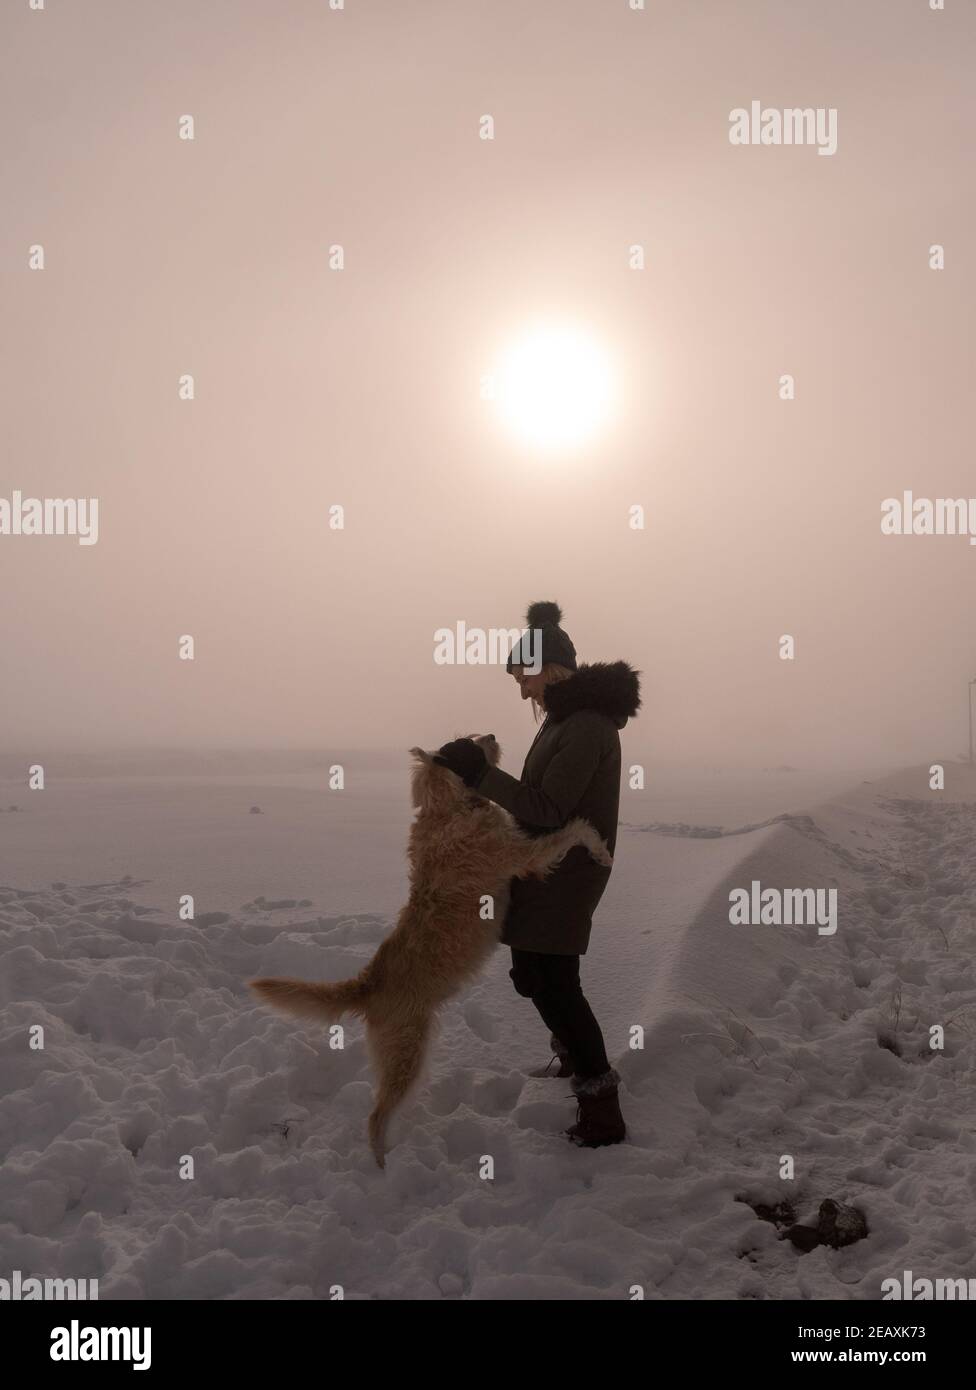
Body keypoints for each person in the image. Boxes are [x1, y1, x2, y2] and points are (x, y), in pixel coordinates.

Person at [434, 600, 641, 1147]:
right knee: (531, 973)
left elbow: (548, 808)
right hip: (541, 867)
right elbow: (536, 805)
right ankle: (574, 1058)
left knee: (556, 983)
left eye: (523, 675)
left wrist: (482, 775)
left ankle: (602, 1109)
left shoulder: (588, 727)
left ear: (549, 667)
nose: (521, 689)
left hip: (569, 872)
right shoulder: (563, 721)